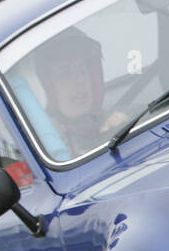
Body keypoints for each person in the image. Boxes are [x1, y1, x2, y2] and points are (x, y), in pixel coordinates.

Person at [21, 28, 127, 159]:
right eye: (65, 74)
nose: (79, 81)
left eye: (83, 70)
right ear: (47, 88)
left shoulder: (121, 121)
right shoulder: (43, 150)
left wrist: (120, 130)